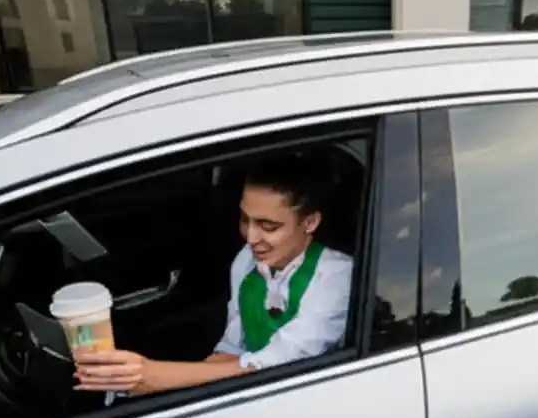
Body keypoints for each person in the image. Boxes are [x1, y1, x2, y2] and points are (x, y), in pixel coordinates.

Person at [73, 154, 354, 395]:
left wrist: (155, 375)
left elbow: (281, 360)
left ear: (310, 222)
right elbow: (233, 349)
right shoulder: (246, 261)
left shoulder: (337, 277)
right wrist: (159, 386)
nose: (251, 237)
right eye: (245, 220)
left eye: (268, 226)